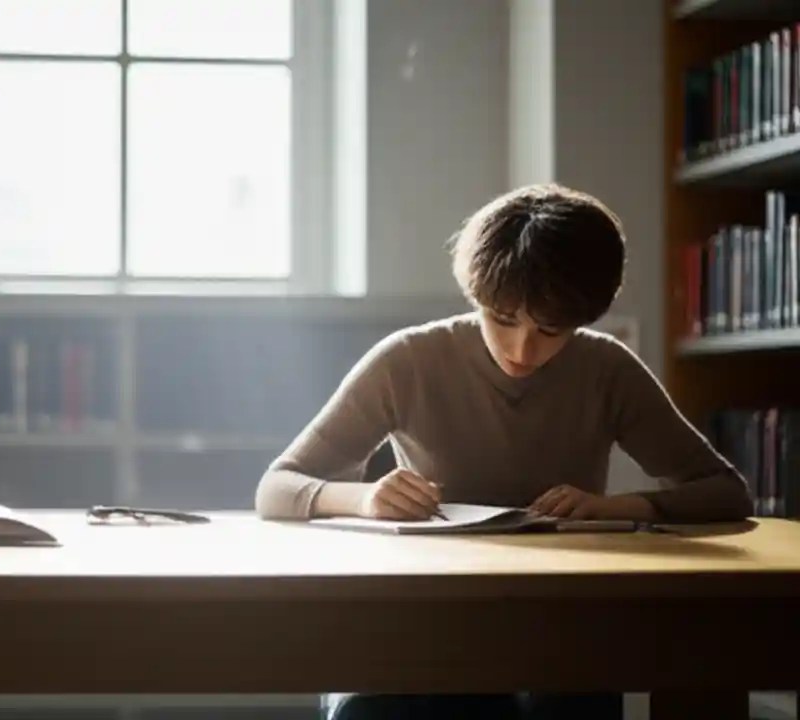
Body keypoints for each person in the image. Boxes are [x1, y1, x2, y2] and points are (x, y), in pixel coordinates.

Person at [254, 183, 752, 720]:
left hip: (558, 623)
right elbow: (277, 487)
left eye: (550, 330)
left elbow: (726, 492)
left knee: (570, 702)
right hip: (427, 615)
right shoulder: (410, 359)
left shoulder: (606, 369)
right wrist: (365, 499)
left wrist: (622, 508)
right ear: (476, 298)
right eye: (502, 319)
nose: (521, 350)